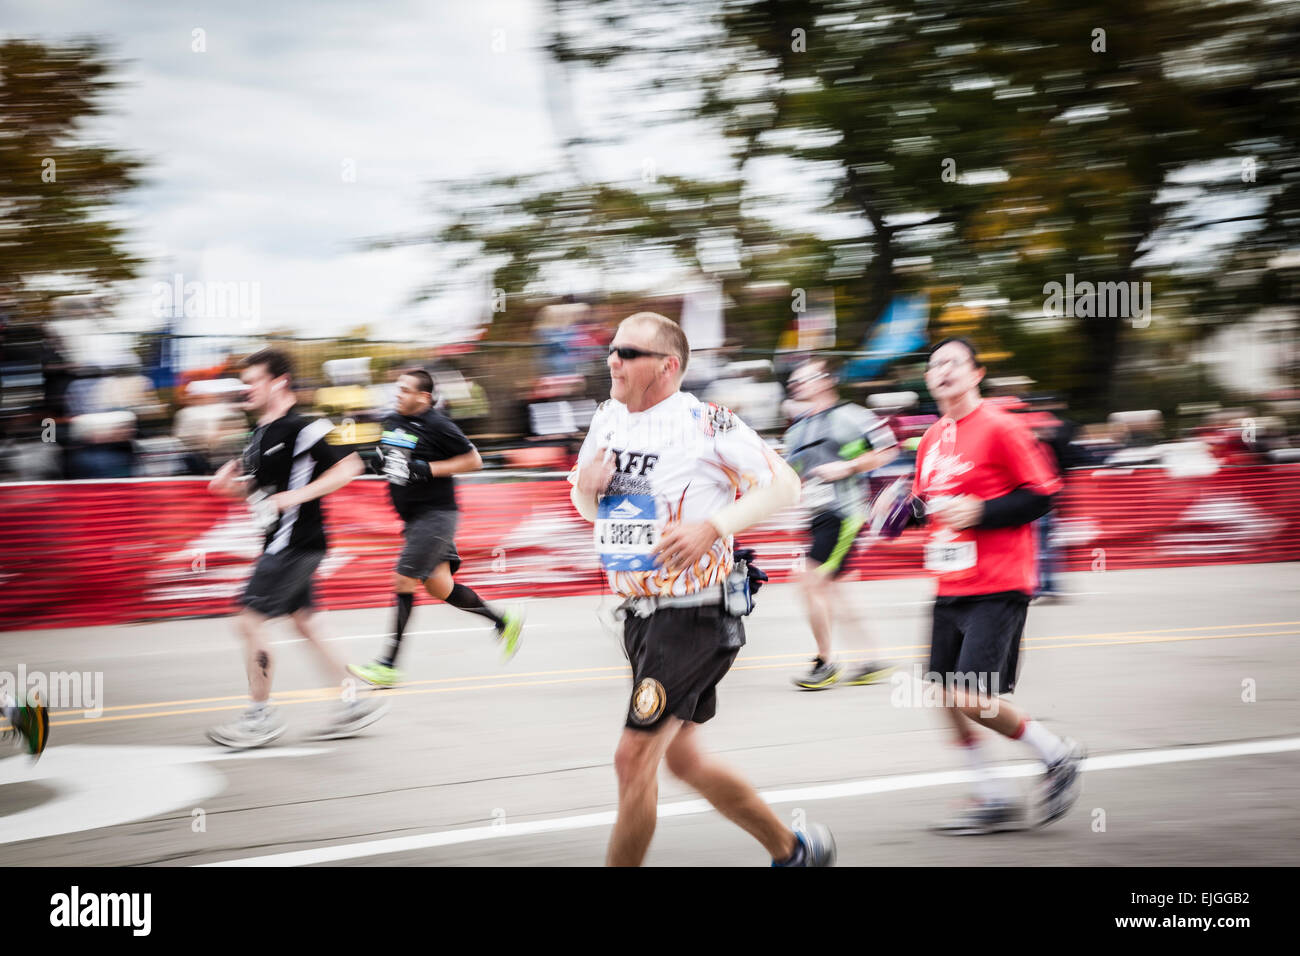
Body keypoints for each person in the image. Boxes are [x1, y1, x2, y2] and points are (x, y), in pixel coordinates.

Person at [570, 311, 836, 867]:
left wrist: (712, 527)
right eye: (612, 350)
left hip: (694, 615)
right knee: (684, 759)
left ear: (668, 367)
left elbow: (785, 484)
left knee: (632, 757)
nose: (612, 360)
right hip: (641, 616)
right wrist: (589, 492)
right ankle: (794, 851)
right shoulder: (607, 418)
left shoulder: (706, 422)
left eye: (628, 353)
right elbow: (586, 503)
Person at [882, 337, 1085, 834]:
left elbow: (1043, 496)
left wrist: (982, 511)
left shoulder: (1001, 426)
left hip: (999, 581)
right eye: (934, 366)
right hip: (950, 581)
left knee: (971, 696)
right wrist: (898, 515)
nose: (942, 370)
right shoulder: (930, 439)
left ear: (977, 373)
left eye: (953, 362)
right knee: (943, 694)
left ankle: (1057, 755)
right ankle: (992, 793)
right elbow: (927, 503)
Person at [207, 349, 387, 748]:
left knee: (248, 620)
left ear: (279, 382)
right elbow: (259, 497)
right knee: (307, 622)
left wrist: (296, 497)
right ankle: (354, 702)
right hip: (281, 541)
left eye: (253, 381)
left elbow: (350, 467)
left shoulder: (306, 427)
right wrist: (229, 488)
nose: (246, 390)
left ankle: (260, 717)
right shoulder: (258, 436)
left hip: (296, 542)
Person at [349, 369, 523, 687]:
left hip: (436, 515)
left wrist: (427, 468)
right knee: (439, 587)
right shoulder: (392, 420)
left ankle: (388, 664)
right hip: (414, 518)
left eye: (404, 389)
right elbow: (392, 458)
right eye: (397, 388)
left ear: (423, 397)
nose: (397, 393)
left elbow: (474, 461)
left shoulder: (438, 425)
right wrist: (380, 462)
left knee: (403, 578)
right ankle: (503, 621)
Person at [782, 358, 900, 689]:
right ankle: (869, 660)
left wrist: (847, 467)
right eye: (794, 383)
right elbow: (791, 474)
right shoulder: (796, 431)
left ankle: (825, 663)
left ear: (825, 381)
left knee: (809, 580)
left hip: (845, 514)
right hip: (817, 517)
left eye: (803, 380)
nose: (797, 387)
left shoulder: (853, 416)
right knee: (830, 591)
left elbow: (888, 450)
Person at [2, 692, 47, 757]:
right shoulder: (7, 705)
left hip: (19, 712)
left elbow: (15, 719)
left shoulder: (8, 710)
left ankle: (34, 746)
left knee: (26, 730)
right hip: (17, 709)